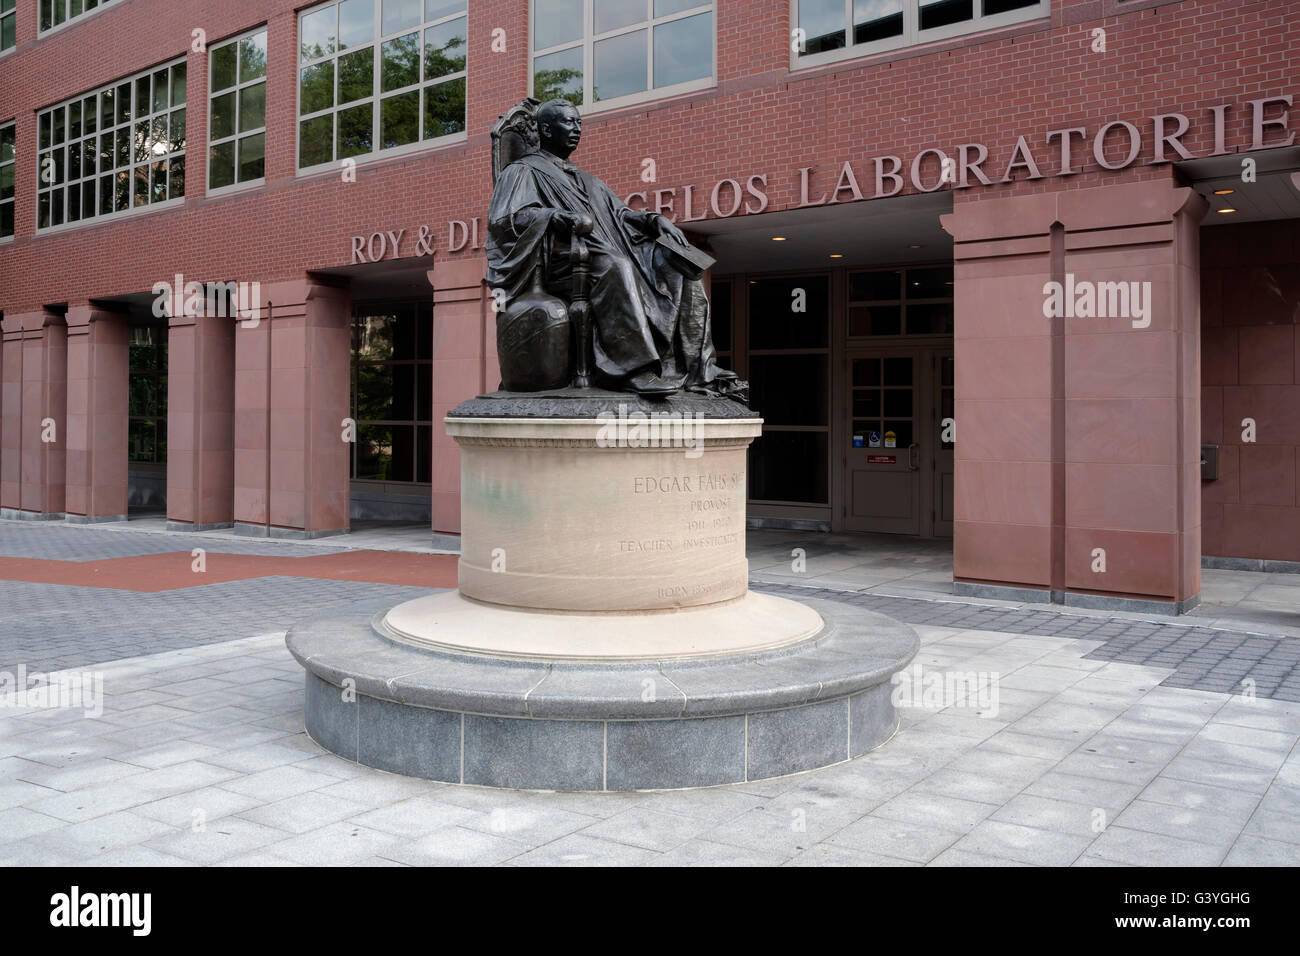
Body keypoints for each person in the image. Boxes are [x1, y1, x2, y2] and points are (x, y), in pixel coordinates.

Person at [486, 98, 747, 400]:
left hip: (607, 250)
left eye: (579, 123)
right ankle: (634, 370)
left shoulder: (587, 180)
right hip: (562, 261)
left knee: (679, 265)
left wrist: (652, 221)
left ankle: (697, 370)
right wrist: (555, 216)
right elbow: (506, 220)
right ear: (545, 129)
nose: (576, 129)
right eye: (568, 122)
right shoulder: (522, 171)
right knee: (616, 264)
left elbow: (621, 215)